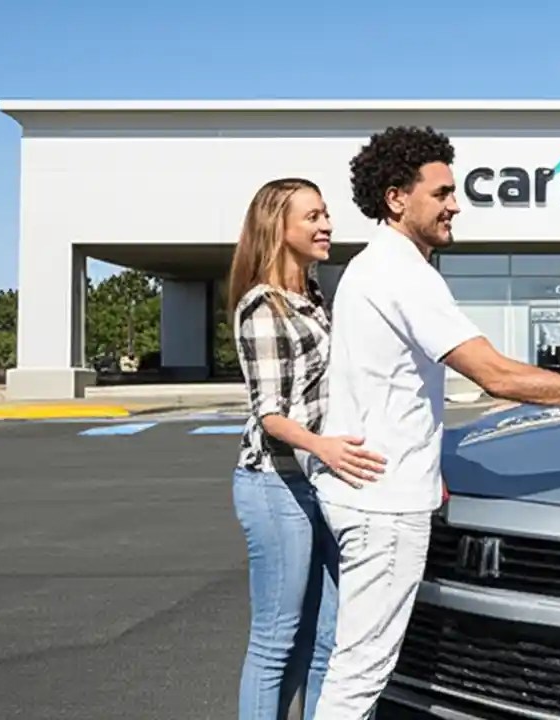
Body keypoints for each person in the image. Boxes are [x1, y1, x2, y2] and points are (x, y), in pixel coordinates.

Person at [307, 125, 560, 717]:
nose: (455, 204)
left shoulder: (371, 268)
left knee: (357, 661)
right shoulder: (402, 273)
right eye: (441, 193)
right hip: (383, 507)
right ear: (396, 198)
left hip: (372, 493)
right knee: (362, 671)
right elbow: (496, 375)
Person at [226, 177, 388, 720]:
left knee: (328, 640)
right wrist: (327, 447)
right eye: (313, 216)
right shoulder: (262, 307)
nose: (327, 225)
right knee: (277, 640)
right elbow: (269, 414)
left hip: (320, 480)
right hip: (275, 483)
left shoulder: (313, 296)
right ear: (280, 228)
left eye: (326, 214)